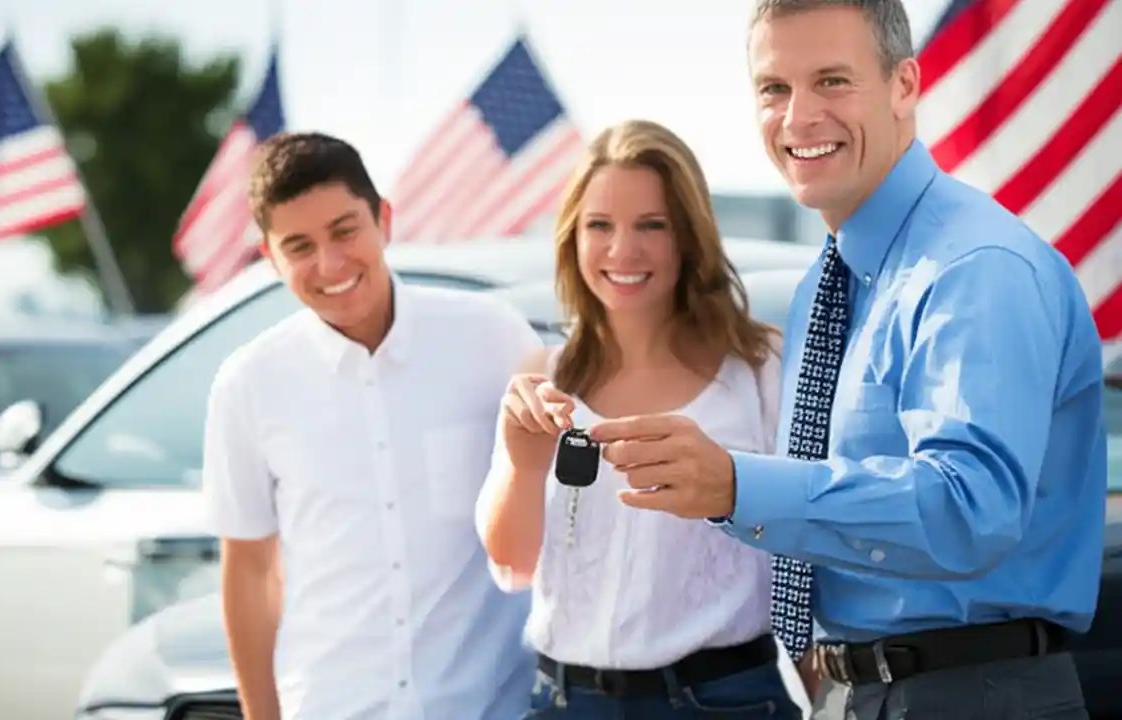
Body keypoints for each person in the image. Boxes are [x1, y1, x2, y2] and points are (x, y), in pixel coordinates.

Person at [585, 1, 1107, 718]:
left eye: (832, 81)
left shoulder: (975, 269)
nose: (798, 117)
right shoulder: (825, 287)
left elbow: (968, 510)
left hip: (971, 693)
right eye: (774, 88)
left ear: (904, 86)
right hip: (854, 694)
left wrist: (738, 485)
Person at [202, 131, 541, 720]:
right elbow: (251, 574)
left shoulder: (493, 338)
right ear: (269, 255)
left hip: (490, 707)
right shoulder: (247, 384)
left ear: (383, 218)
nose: (330, 264)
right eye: (299, 246)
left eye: (344, 230)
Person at [475, 118, 804, 718]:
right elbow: (512, 563)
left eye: (652, 226)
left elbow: (805, 544)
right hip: (565, 702)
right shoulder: (543, 375)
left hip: (724, 700)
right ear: (572, 236)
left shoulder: (761, 370)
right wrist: (521, 465)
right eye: (600, 225)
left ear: (689, 237)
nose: (623, 250)